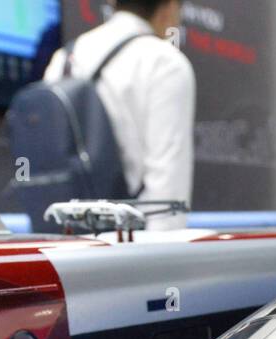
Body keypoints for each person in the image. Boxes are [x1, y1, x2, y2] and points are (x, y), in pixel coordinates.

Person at [45, 0, 195, 230]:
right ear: (171, 7)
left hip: (62, 236)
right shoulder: (165, 62)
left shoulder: (64, 58)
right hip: (128, 245)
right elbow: (167, 188)